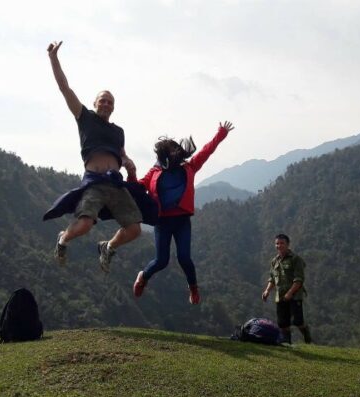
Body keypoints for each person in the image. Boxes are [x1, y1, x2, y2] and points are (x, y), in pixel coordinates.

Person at [42, 41, 148, 273]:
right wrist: (53, 58)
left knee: (134, 230)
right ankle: (63, 238)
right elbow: (64, 88)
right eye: (103, 100)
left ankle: (108, 247)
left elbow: (121, 154)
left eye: (110, 102)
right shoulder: (85, 117)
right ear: (95, 103)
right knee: (84, 224)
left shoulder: (118, 131)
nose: (106, 104)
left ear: (113, 107)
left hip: (116, 184)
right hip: (94, 183)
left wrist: (128, 163)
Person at [131, 121, 234, 304]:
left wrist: (221, 134)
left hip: (182, 220)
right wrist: (129, 180)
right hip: (162, 221)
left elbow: (206, 151)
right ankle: (143, 277)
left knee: (184, 258)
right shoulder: (154, 172)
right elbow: (140, 185)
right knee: (161, 261)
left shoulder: (189, 167)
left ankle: (193, 288)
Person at [261, 234, 312, 344]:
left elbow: (299, 279)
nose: (279, 246)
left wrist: (290, 293)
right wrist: (267, 291)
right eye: (277, 243)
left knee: (297, 321)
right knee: (283, 322)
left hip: (295, 295)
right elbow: (272, 279)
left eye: (282, 243)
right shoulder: (275, 261)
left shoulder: (296, 259)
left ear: (288, 244)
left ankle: (306, 333)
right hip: (280, 295)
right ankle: (287, 342)